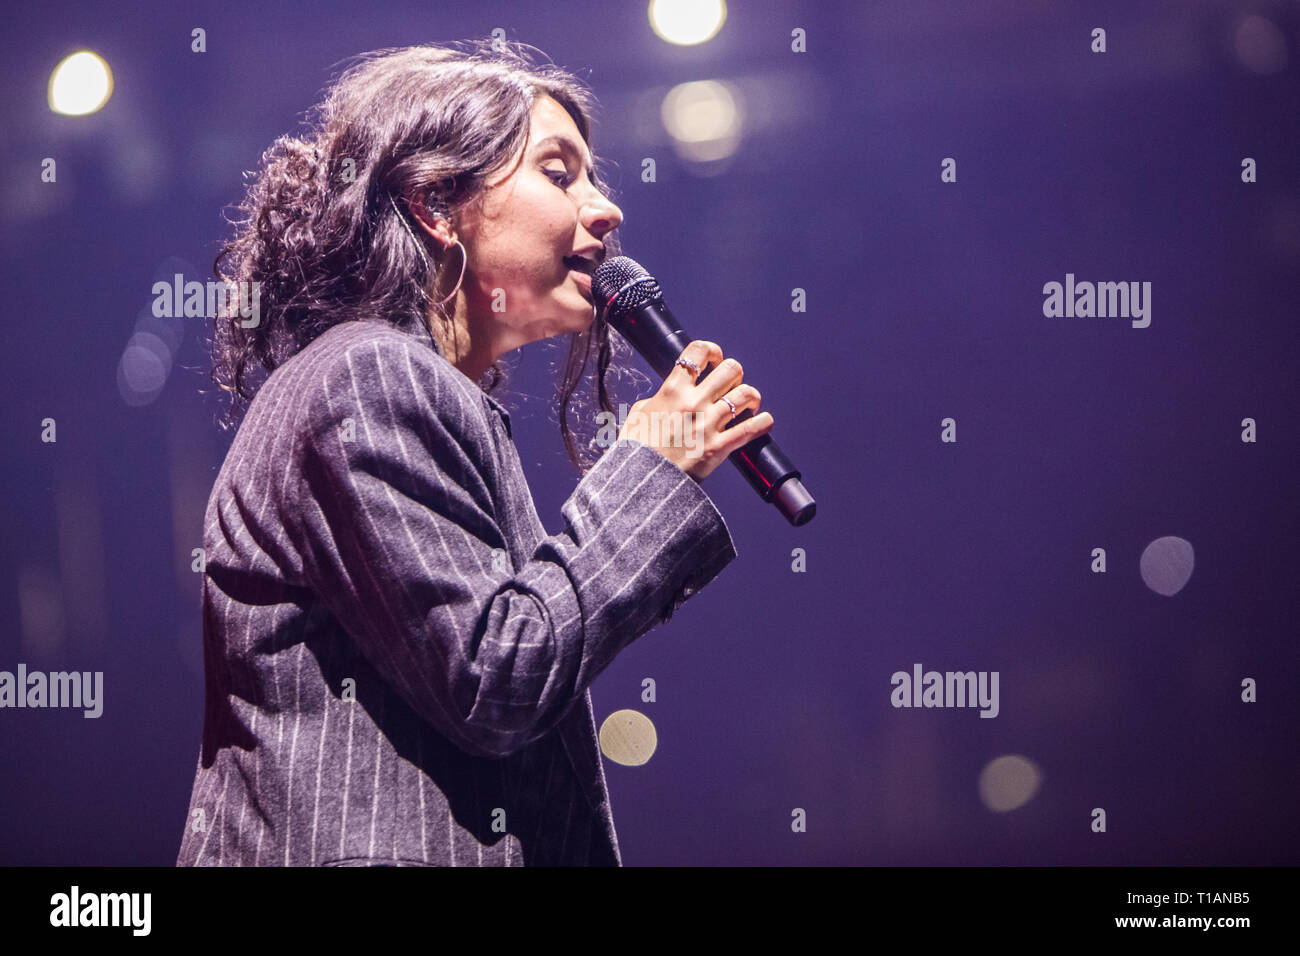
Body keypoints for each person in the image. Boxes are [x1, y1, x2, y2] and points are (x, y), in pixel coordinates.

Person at [176, 41, 774, 867]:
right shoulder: (369, 376)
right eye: (559, 174)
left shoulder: (413, 390)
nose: (606, 209)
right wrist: (651, 467)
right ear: (435, 201)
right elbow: (496, 675)